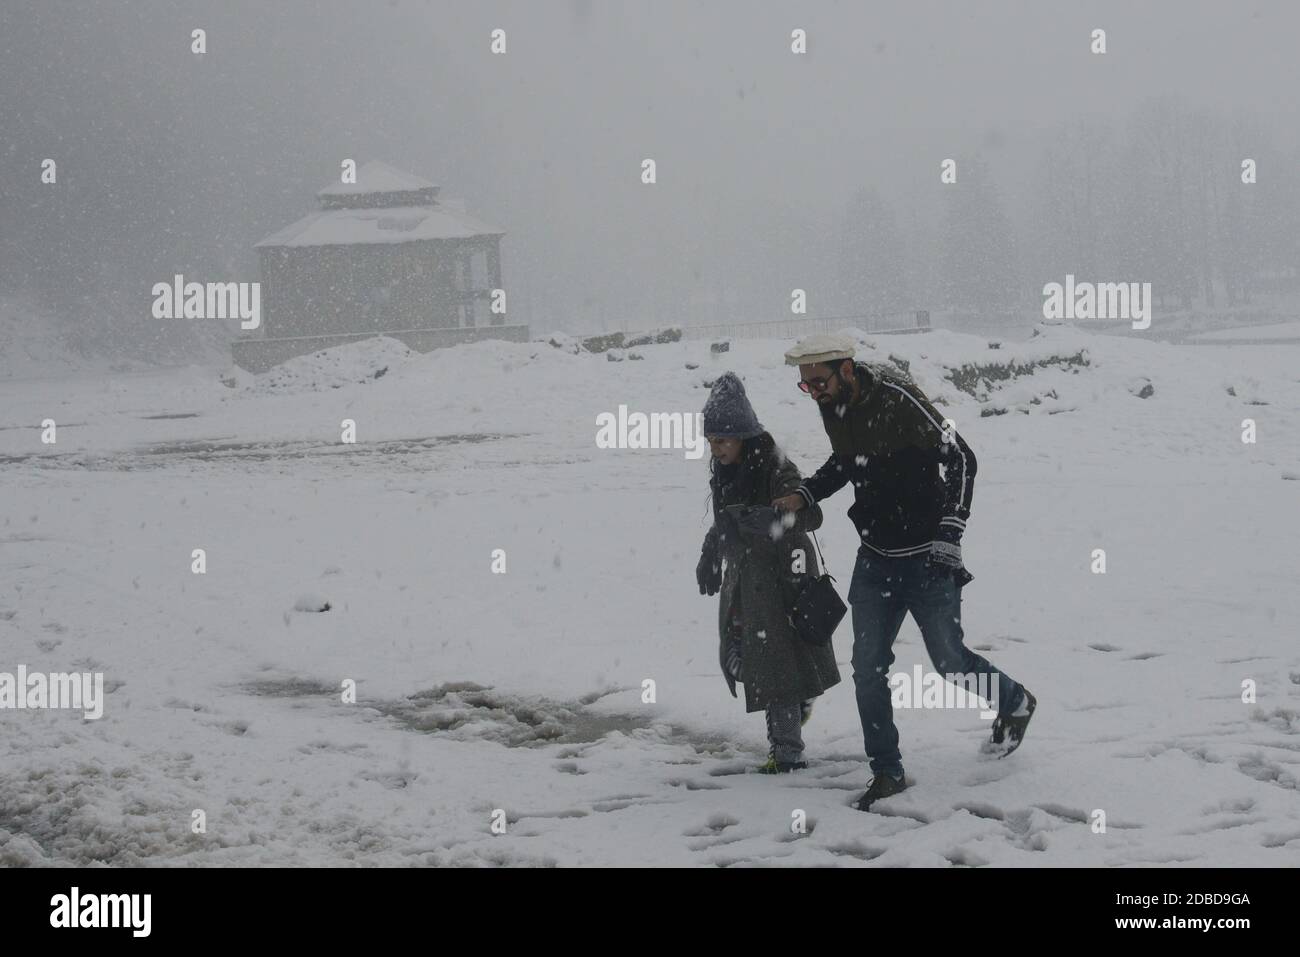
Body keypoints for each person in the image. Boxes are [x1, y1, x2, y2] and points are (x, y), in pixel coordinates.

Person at [771, 335, 1036, 811]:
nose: (814, 392)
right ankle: (886, 771)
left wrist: (951, 531)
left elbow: (960, 458)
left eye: (819, 382)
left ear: (846, 369)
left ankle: (1014, 700)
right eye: (805, 385)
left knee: (949, 660)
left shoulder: (898, 398)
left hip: (929, 557)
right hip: (874, 557)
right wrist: (807, 493)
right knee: (867, 669)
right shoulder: (832, 407)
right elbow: (846, 461)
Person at [695, 372, 841, 772]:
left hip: (784, 580)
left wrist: (775, 517)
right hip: (746, 579)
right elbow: (725, 518)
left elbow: (813, 513)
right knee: (743, 658)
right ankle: (798, 702)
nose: (716, 448)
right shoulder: (725, 469)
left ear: (744, 435)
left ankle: (787, 753)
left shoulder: (776, 465)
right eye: (710, 441)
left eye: (722, 440)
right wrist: (710, 552)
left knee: (774, 665)